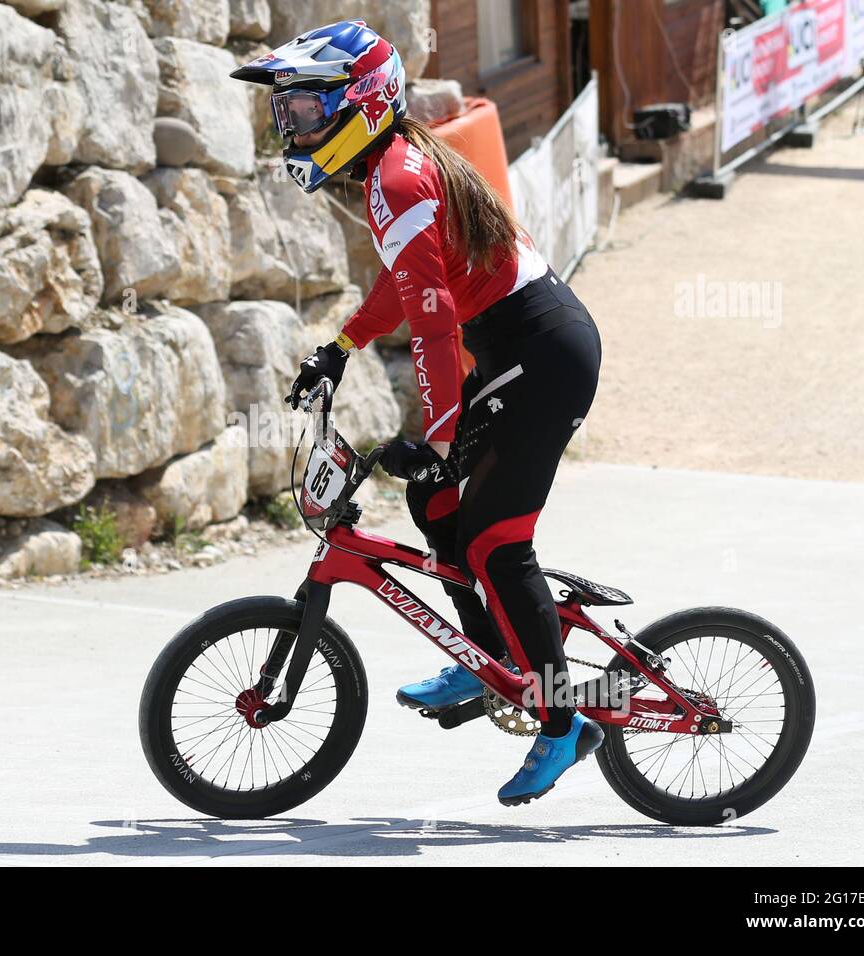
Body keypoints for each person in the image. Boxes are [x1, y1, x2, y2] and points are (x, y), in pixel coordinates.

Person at [231, 20, 605, 805]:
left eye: (302, 111)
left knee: (498, 541)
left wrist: (437, 435)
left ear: (359, 104)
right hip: (518, 347)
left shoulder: (397, 178)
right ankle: (489, 660)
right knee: (433, 500)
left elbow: (435, 329)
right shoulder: (389, 167)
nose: (290, 126)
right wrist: (342, 343)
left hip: (542, 355)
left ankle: (565, 721)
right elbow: (408, 280)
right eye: (287, 113)